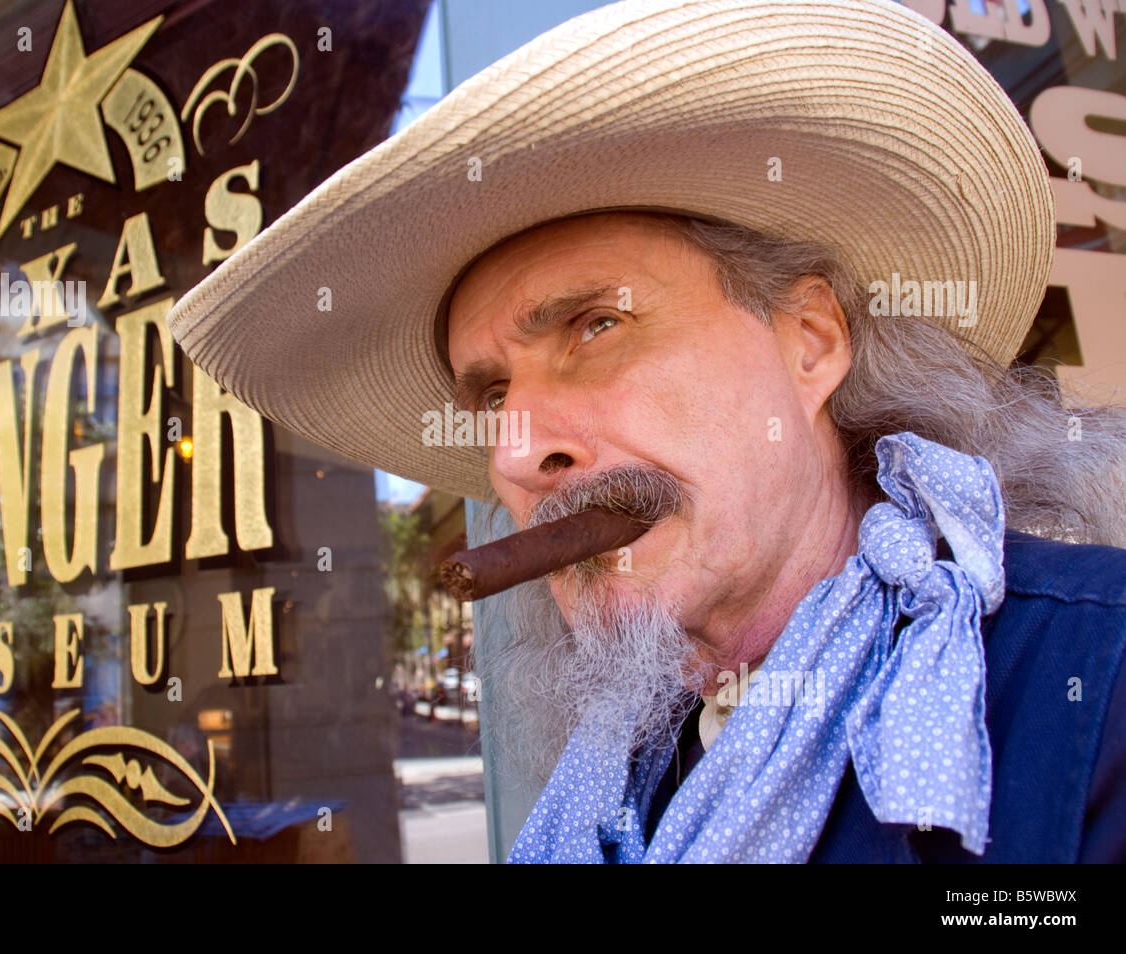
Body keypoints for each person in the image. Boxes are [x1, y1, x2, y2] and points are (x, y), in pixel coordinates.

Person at [166, 0, 1126, 862]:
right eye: (493, 393)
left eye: (596, 326)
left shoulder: (1095, 686)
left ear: (812, 342)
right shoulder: (621, 779)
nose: (513, 454)